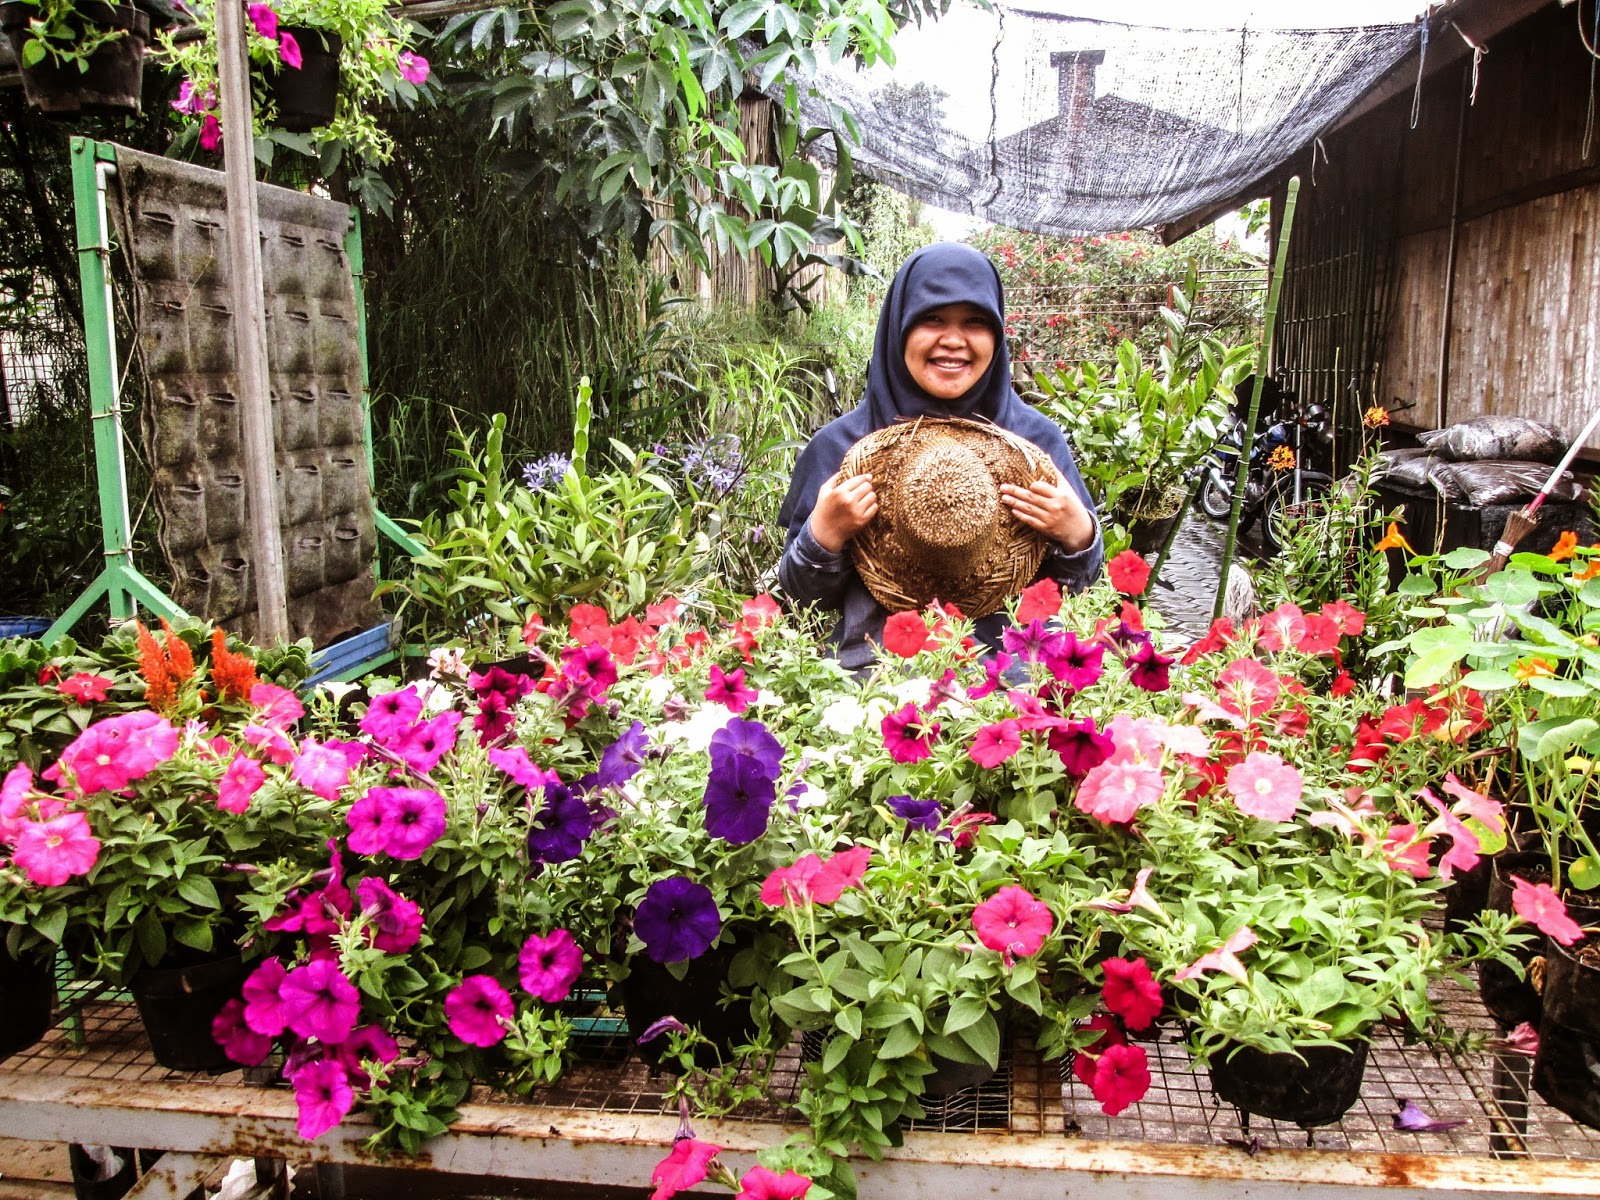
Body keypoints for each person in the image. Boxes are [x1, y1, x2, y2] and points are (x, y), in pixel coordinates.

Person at [777, 242, 1103, 670]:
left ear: (997, 333)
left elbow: (1077, 587)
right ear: (899, 327)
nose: (953, 340)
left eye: (975, 321)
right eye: (932, 318)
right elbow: (802, 601)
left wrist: (1078, 535)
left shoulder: (1035, 442)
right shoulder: (840, 448)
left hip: (1012, 691)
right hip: (872, 691)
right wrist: (824, 536)